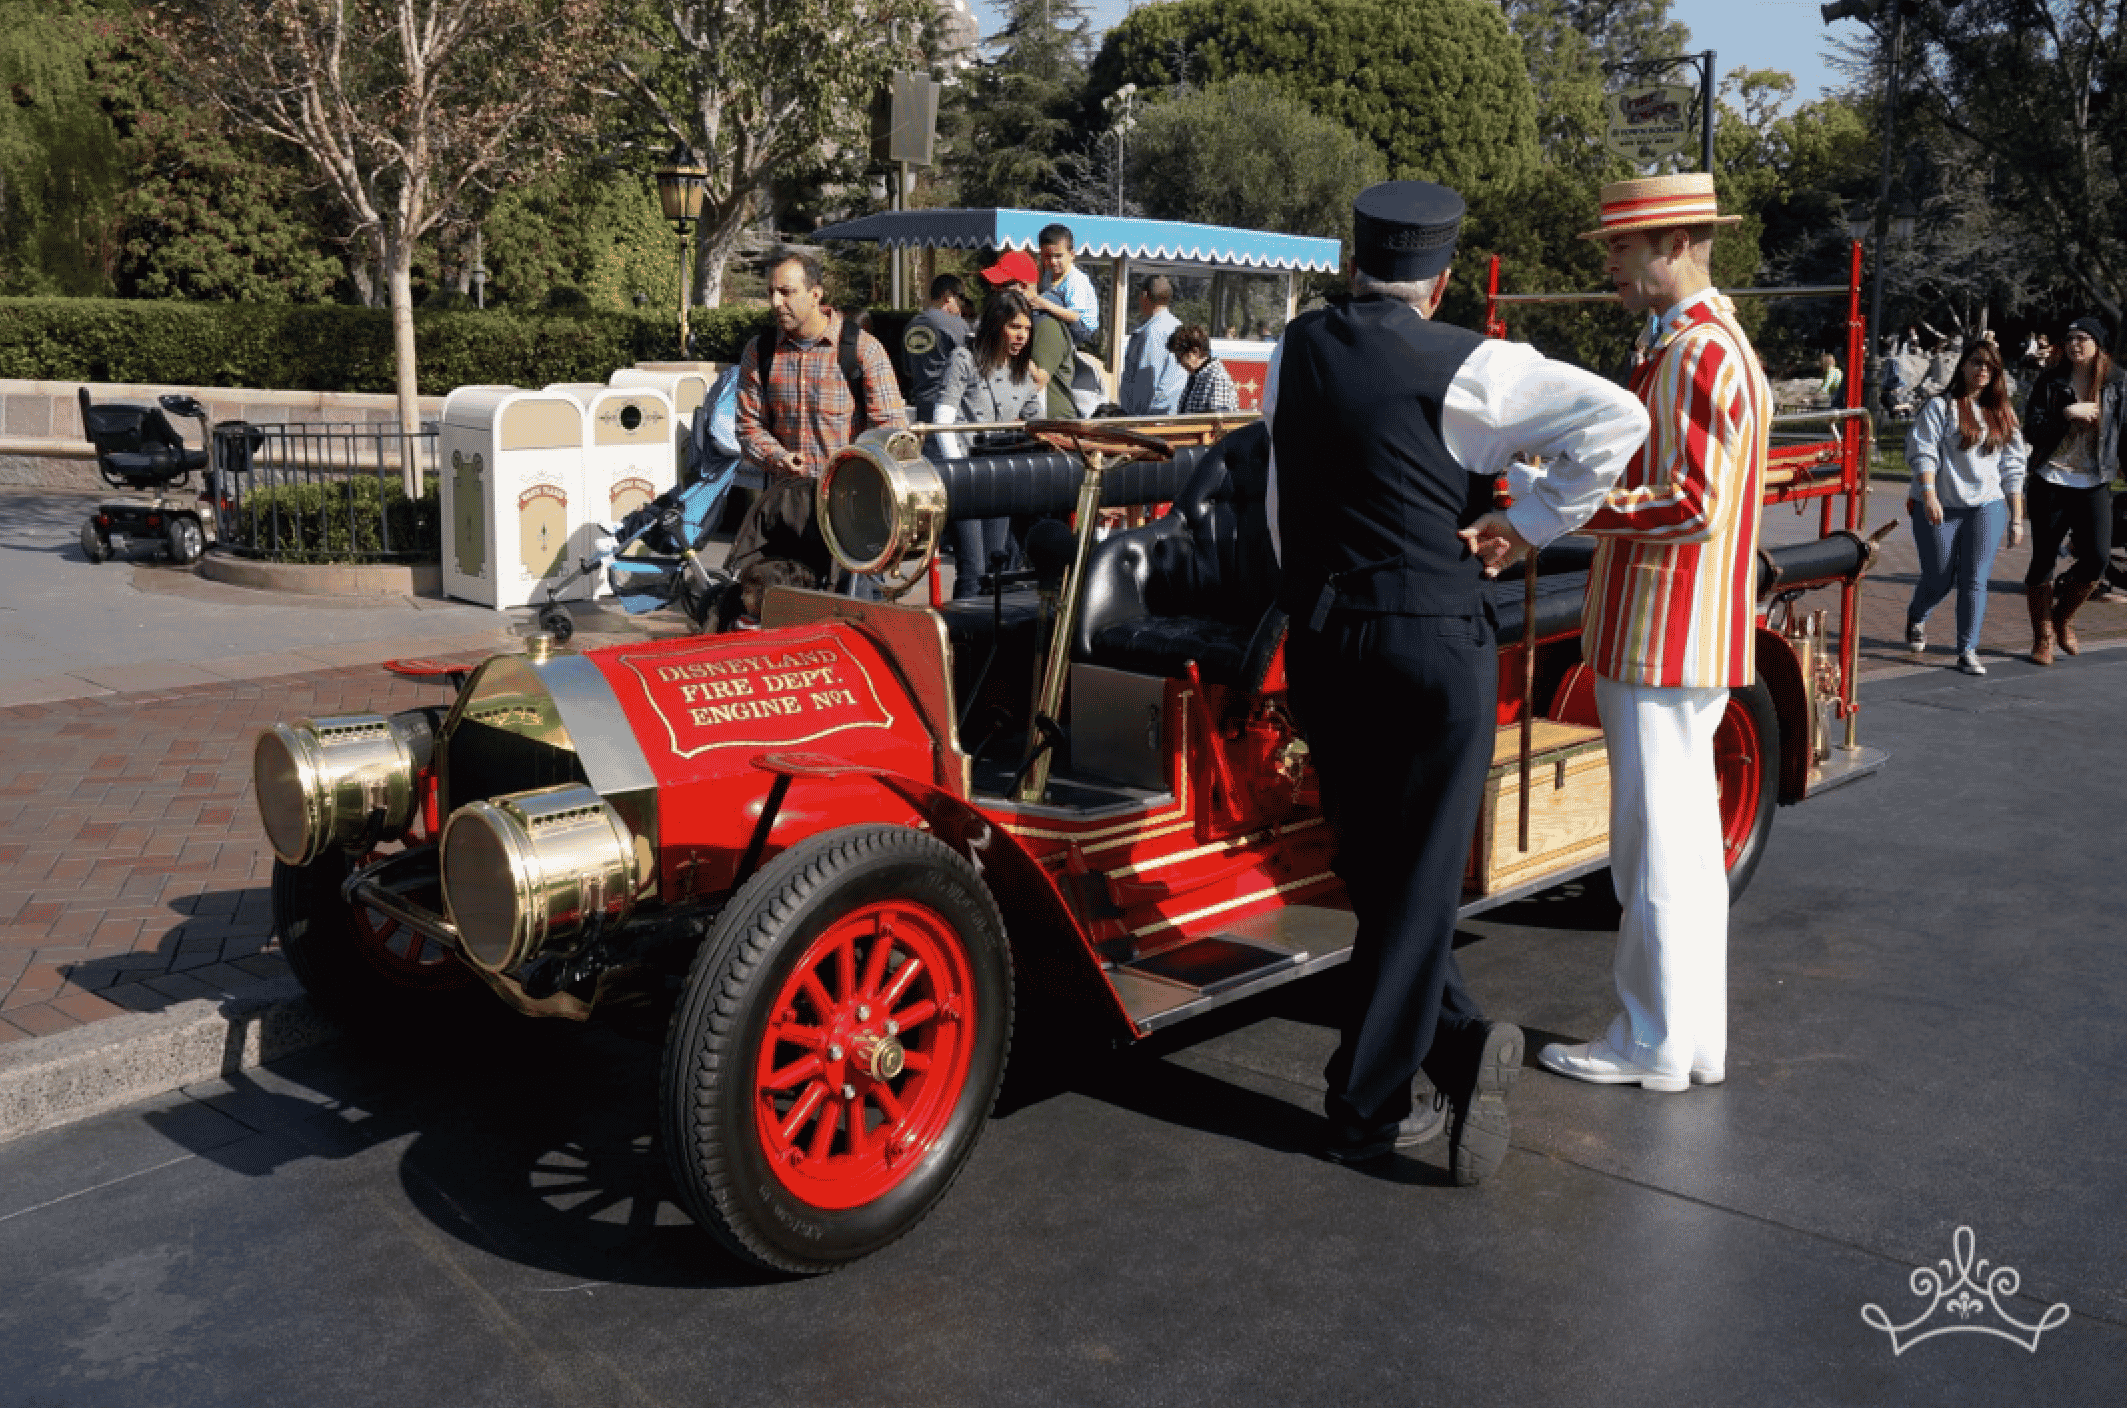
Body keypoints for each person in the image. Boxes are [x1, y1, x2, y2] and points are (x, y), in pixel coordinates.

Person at [1266, 180, 1649, 1179]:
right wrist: (1523, 526)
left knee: (1377, 872)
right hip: (1432, 637)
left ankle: (1447, 1053)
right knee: (1421, 882)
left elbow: (1278, 495)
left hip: (1325, 639)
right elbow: (1617, 420)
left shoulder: (1294, 350)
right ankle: (1375, 1102)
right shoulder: (1477, 366)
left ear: (1355, 264)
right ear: (1439, 283)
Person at [1524, 173, 1771, 1095]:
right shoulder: (1703, 341)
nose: (1610, 265)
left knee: (1654, 843)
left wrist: (1567, 504)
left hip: (1663, 633)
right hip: (1679, 633)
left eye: (1621, 248)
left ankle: (1652, 1039)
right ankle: (1688, 1038)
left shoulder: (1696, 351)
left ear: (1673, 246)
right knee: (1682, 843)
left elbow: (1690, 503)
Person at [723, 247, 906, 624]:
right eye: (771, 292)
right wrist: (778, 457)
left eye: (786, 292)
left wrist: (853, 473)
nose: (776, 303)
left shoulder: (861, 349)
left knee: (851, 619)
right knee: (783, 618)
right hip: (787, 511)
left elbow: (891, 430)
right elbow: (748, 426)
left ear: (815, 294)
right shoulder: (760, 351)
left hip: (849, 513)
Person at [1903, 339, 2028, 675]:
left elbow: (2014, 466)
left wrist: (2017, 518)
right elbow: (1923, 451)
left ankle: (1967, 649)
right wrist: (1929, 494)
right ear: (1962, 367)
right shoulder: (1941, 407)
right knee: (1939, 577)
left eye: (1989, 365)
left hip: (1987, 505)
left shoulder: (2003, 412)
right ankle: (1917, 615)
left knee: (1975, 579)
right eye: (1976, 362)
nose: (1982, 369)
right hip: (1939, 503)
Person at [2020, 316, 2122, 664]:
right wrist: (2066, 413)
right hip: (2051, 479)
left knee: (2097, 557)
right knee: (2043, 558)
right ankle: (2042, 637)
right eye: (2070, 338)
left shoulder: (2117, 383)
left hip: (2094, 480)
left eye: (2082, 338)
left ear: (2098, 345)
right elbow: (2032, 430)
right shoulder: (2051, 381)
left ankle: (2063, 616)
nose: (2075, 344)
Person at [934, 290, 1048, 599]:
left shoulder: (1021, 371)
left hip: (1000, 479)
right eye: (1014, 326)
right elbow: (942, 418)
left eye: (1026, 329)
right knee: (973, 570)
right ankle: (960, 628)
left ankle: (986, 627)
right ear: (996, 324)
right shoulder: (964, 359)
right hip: (966, 478)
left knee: (994, 569)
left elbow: (1041, 424)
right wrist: (960, 472)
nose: (1021, 336)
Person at [977, 249, 1075, 420]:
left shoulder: (1045, 323)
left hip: (1053, 425)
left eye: (1002, 287)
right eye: (994, 287)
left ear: (1023, 287)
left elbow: (1038, 381)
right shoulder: (1022, 319)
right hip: (1025, 422)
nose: (995, 291)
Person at [901, 274, 969, 420]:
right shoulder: (958, 325)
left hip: (922, 407)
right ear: (948, 296)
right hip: (952, 409)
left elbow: (908, 371)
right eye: (961, 297)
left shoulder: (910, 325)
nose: (962, 304)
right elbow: (971, 368)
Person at [1119, 276, 1184, 415]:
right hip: (1170, 415)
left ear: (1144, 295)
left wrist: (1135, 419)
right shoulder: (1177, 326)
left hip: (1151, 418)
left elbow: (1146, 385)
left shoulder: (1153, 332)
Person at [1029, 223, 1100, 349]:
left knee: (1048, 299)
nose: (1052, 261)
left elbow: (1074, 316)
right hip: (1067, 320)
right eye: (1047, 256)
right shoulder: (1048, 273)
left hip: (1082, 328)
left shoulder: (1075, 280)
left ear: (1071, 255)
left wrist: (1043, 304)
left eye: (1058, 256)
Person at [1170, 324, 1239, 413]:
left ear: (1195, 351)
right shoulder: (1197, 376)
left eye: (1179, 356)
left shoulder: (1216, 378)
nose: (1178, 362)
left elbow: (1219, 418)